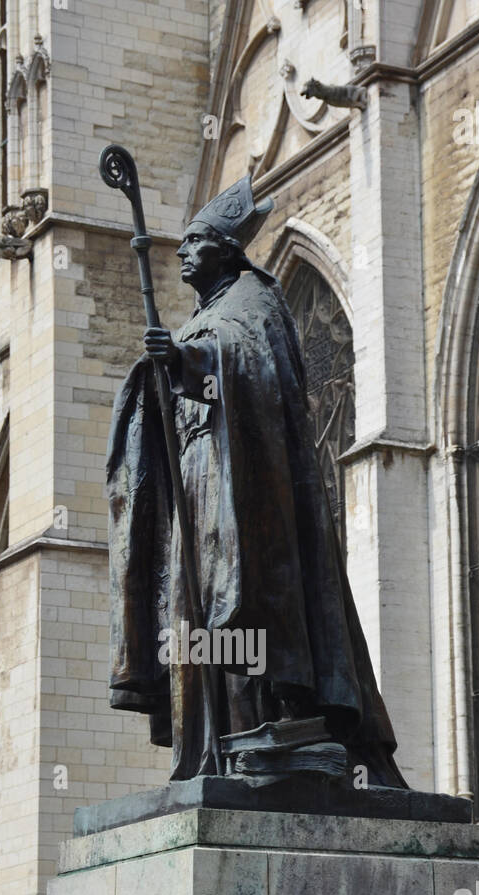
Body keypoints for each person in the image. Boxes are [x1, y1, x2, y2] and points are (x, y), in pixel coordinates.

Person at [106, 174, 406, 787]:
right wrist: (155, 373)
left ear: (227, 249)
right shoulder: (205, 314)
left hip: (246, 491)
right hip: (198, 479)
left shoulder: (253, 301)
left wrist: (188, 361)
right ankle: (208, 749)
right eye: (183, 242)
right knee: (194, 615)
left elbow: (254, 372)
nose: (183, 252)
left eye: (196, 242)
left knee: (243, 608)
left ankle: (269, 729)